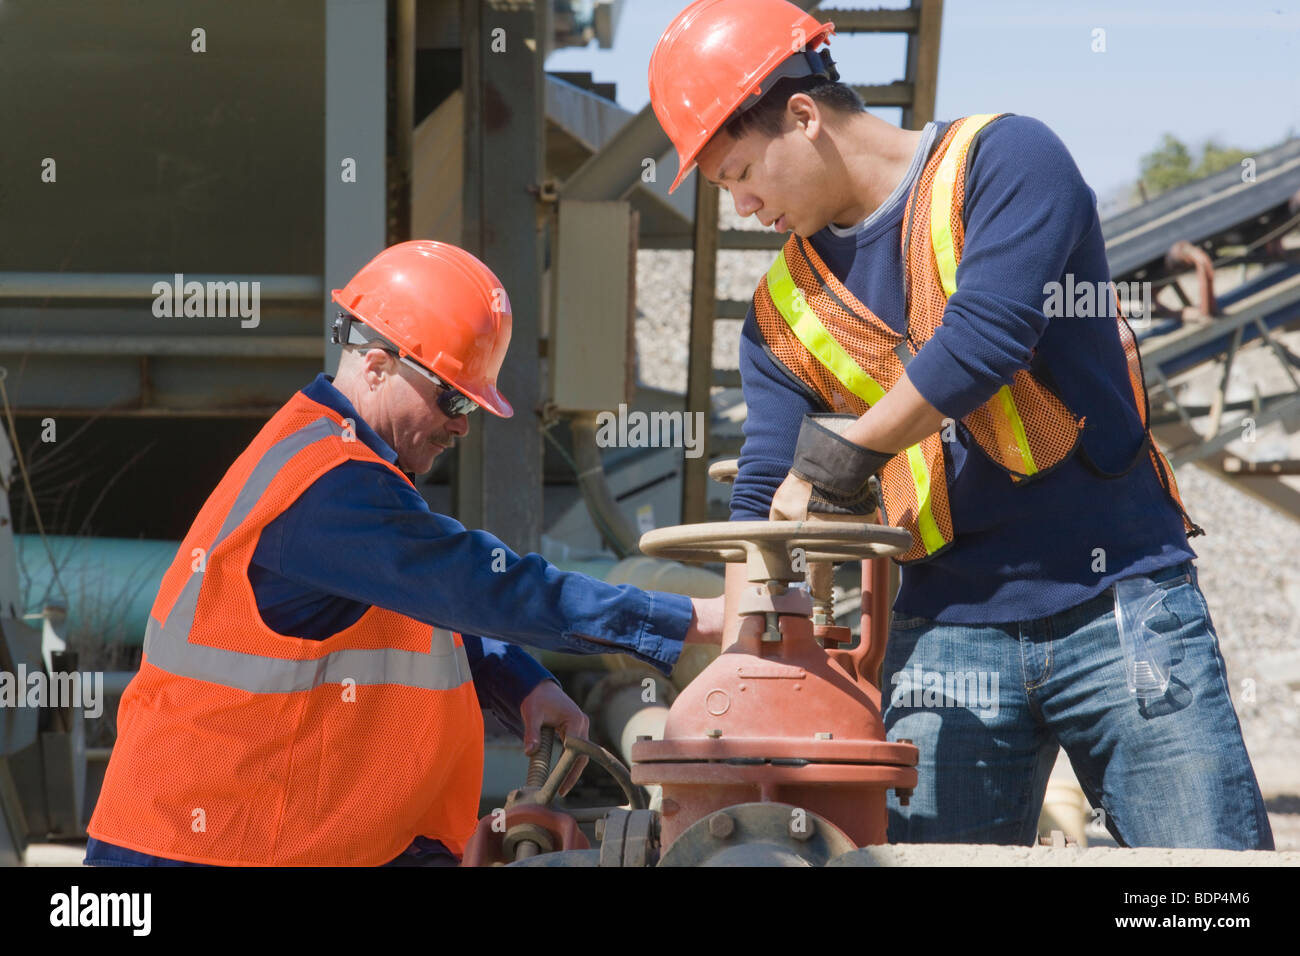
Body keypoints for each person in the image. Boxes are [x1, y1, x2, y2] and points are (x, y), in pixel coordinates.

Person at [648, 0, 1272, 849]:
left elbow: (984, 338)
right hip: (945, 628)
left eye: (742, 174)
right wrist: (747, 644)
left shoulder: (1007, 160)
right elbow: (765, 481)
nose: (743, 206)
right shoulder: (780, 313)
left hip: (1118, 603)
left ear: (802, 115)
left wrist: (842, 457)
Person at [84, 240, 723, 866]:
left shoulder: (346, 465)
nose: (462, 424)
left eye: (471, 403)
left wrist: (521, 682)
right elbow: (481, 588)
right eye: (451, 397)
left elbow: (422, 610)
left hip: (249, 831)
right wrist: (689, 621)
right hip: (202, 842)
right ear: (376, 364)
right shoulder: (329, 488)